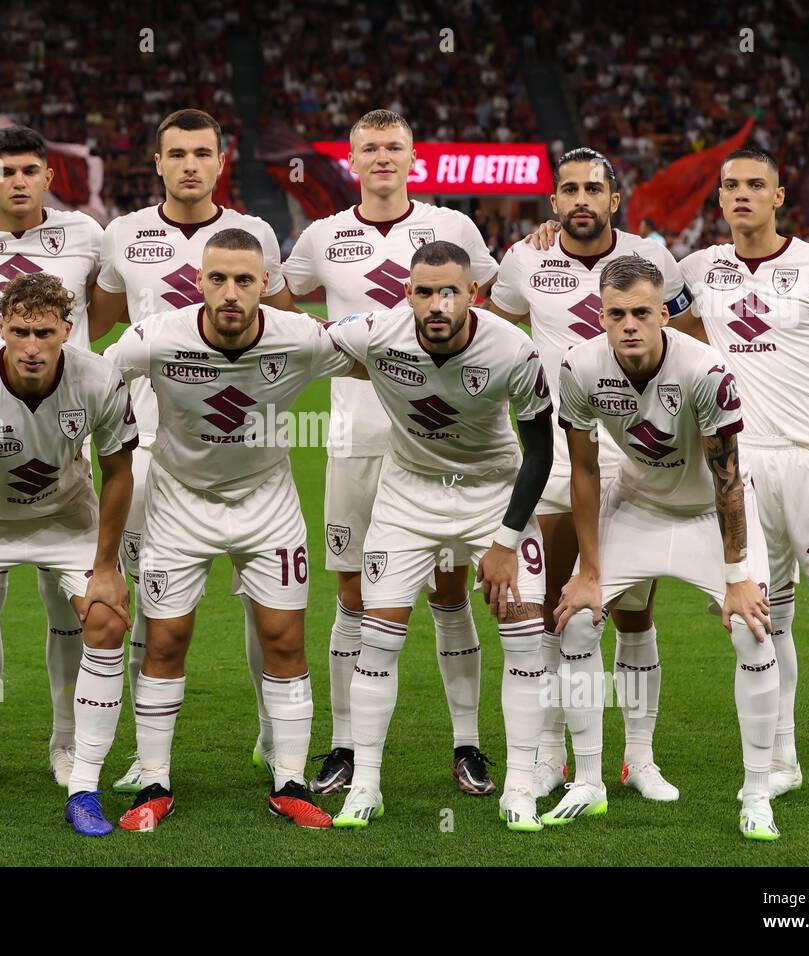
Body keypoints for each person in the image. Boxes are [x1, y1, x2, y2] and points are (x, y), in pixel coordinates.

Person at [104, 229, 364, 831]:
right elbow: (93, 378)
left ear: (265, 285)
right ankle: (153, 781)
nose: (230, 293)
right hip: (178, 505)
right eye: (217, 279)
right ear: (198, 282)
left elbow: (376, 360)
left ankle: (291, 782)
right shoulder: (155, 338)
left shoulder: (298, 338)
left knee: (284, 641)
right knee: (165, 642)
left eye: (245, 280)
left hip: (267, 503)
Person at [283, 108, 503, 796]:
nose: (382, 157)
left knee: (447, 589)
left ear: (415, 157)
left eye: (394, 147)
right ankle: (345, 745)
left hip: (441, 441)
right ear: (351, 158)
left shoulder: (454, 229)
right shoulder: (322, 237)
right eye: (370, 147)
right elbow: (281, 307)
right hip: (353, 438)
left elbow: (491, 306)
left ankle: (466, 742)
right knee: (351, 592)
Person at [88, 109, 294, 791]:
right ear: (157, 161)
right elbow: (98, 328)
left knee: (259, 599)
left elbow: (287, 322)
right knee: (155, 601)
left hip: (245, 444)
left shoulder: (254, 234)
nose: (189, 165)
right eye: (176, 153)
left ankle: (273, 737)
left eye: (202, 153)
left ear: (220, 160)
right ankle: (146, 761)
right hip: (147, 446)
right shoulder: (124, 233)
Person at [679, 147, 809, 816]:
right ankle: (783, 761)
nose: (741, 194)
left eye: (755, 185)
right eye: (730, 186)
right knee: (764, 628)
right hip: (742, 470)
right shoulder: (698, 270)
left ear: (778, 196)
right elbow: (639, 298)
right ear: (719, 200)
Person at [488, 148, 696, 802]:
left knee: (633, 613)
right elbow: (497, 324)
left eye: (594, 189)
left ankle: (639, 757)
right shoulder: (524, 259)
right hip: (555, 453)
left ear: (615, 199)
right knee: (557, 608)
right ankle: (551, 752)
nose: (582, 199)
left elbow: (686, 329)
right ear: (554, 203)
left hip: (634, 458)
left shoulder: (651, 260)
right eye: (569, 190)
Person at [325, 241, 554, 831]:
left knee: (526, 636)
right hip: (408, 495)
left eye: (449, 291)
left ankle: (523, 785)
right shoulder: (377, 332)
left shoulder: (513, 349)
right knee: (379, 637)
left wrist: (505, 541)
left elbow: (540, 453)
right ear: (408, 294)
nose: (436, 303)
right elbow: (300, 343)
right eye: (424, 291)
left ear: (472, 293)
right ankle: (367, 785)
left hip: (492, 493)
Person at [553, 255, 780, 841]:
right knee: (579, 621)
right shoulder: (579, 367)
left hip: (711, 511)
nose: (630, 324)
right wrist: (590, 572)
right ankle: (594, 779)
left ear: (664, 315)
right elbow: (583, 471)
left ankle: (757, 792)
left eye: (642, 313)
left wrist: (736, 576)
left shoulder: (706, 370)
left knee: (750, 627)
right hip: (636, 503)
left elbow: (727, 478)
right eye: (617, 313)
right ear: (600, 316)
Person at [0, 272, 138, 837]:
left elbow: (117, 474)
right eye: (20, 332)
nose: (32, 347)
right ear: (1, 328)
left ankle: (83, 784)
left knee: (108, 620)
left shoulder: (100, 378)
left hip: (67, 517)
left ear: (67, 330)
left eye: (45, 332)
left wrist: (108, 569)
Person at [0, 124, 105, 787]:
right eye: (5, 169)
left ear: (49, 177)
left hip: (64, 435)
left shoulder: (86, 236)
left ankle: (66, 743)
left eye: (31, 170)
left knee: (65, 600)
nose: (19, 180)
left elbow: (111, 308)